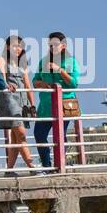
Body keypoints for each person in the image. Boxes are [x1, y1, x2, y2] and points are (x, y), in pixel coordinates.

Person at [32, 32, 83, 169]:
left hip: (63, 106)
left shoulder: (71, 62)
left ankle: (60, 164)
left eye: (55, 45)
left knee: (60, 135)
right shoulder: (43, 61)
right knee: (39, 134)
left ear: (63, 46)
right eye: (50, 45)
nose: (52, 47)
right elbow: (34, 81)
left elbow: (73, 84)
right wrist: (43, 84)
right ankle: (46, 165)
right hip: (45, 107)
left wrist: (59, 70)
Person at [0, 34, 36, 171]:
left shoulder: (22, 63)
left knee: (15, 136)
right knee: (21, 133)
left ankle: (9, 170)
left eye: (20, 47)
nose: (18, 49)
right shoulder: (2, 60)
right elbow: (1, 78)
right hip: (9, 99)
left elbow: (28, 84)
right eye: (15, 46)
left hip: (22, 100)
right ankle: (33, 167)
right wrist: (6, 85)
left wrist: (32, 104)